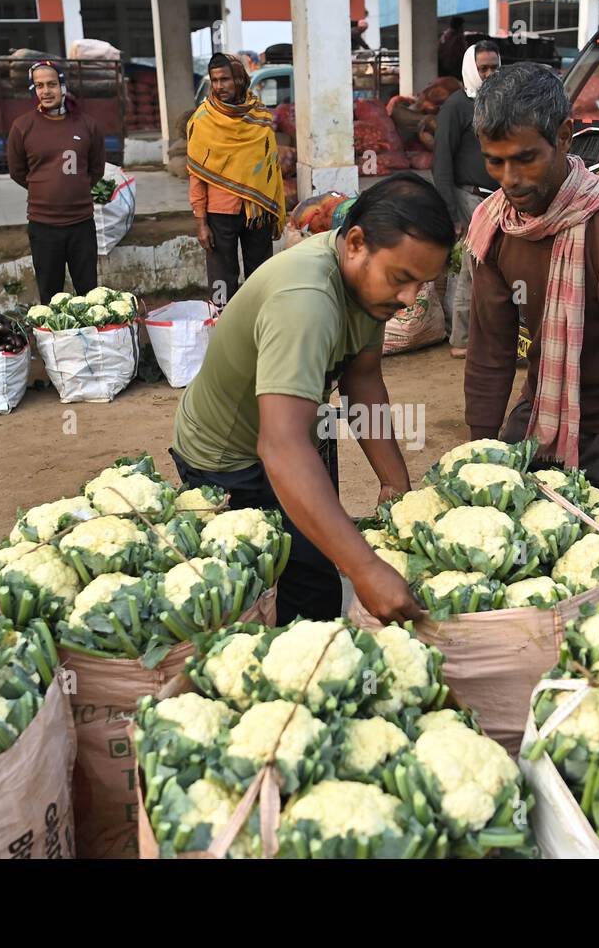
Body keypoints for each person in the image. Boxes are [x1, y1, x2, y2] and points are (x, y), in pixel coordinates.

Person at [171, 174, 455, 624]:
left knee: (317, 563)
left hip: (291, 436)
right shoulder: (305, 300)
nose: (409, 299)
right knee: (282, 590)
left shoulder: (369, 290)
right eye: (402, 279)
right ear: (356, 242)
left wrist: (394, 483)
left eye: (422, 283)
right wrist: (363, 568)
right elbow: (280, 447)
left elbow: (361, 382)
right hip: (228, 458)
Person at [465, 63, 599, 553]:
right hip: (537, 414)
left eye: (524, 159)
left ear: (564, 137)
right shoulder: (494, 226)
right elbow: (490, 353)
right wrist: (478, 454)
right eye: (494, 162)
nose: (509, 180)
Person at [187, 53, 286, 305]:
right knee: (222, 279)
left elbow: (270, 167)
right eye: (214, 80)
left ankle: (260, 327)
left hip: (258, 211)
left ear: (240, 79)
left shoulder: (260, 116)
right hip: (220, 213)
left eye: (225, 79)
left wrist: (275, 209)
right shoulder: (202, 120)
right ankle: (221, 328)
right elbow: (197, 175)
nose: (219, 87)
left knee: (261, 276)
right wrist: (201, 221)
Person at [7, 61, 106, 300]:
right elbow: (18, 172)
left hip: (81, 223)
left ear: (63, 86)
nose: (46, 91)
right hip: (43, 225)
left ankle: (89, 337)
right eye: (39, 85)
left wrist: (74, 189)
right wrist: (46, 189)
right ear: (34, 90)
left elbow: (96, 169)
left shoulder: (87, 125)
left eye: (52, 84)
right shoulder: (22, 127)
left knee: (89, 292)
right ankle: (54, 338)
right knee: (50, 293)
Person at [432, 41, 500, 360]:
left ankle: (468, 334)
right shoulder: (456, 107)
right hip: (468, 198)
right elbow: (441, 164)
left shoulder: (498, 102)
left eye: (494, 67)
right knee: (472, 270)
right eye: (483, 68)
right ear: (471, 69)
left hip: (496, 198)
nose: (489, 74)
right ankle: (461, 338)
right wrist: (451, 212)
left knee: (475, 270)